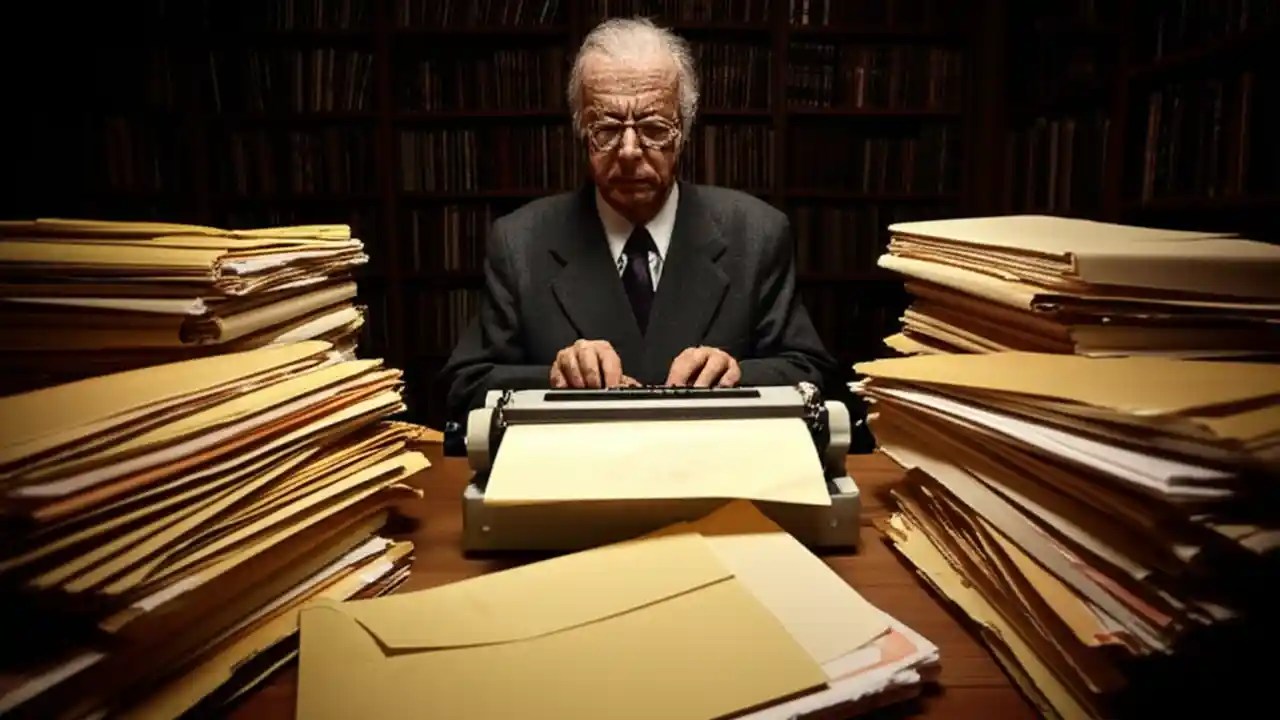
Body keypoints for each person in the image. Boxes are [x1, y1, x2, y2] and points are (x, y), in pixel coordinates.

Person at [438, 17, 837, 422]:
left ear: (683, 131)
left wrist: (738, 376)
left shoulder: (757, 234)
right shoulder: (519, 243)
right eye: (607, 129)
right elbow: (466, 386)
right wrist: (555, 379)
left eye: (653, 128)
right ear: (581, 131)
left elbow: (810, 373)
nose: (629, 150)